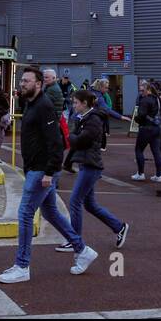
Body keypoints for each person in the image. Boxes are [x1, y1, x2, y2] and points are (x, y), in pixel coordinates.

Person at [0, 67, 95, 283]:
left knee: (25, 214)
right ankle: (82, 249)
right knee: (50, 213)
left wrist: (50, 172)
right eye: (22, 80)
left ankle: (22, 266)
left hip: (42, 170)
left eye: (27, 81)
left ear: (39, 84)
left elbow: (56, 142)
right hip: (35, 168)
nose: (22, 84)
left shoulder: (44, 106)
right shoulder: (30, 103)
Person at [61, 89, 129, 251]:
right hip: (86, 163)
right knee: (90, 204)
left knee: (75, 201)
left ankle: (75, 240)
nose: (73, 105)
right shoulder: (84, 118)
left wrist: (70, 136)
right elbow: (76, 137)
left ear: (84, 103)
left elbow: (80, 141)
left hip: (91, 165)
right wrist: (73, 136)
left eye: (76, 103)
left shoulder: (93, 120)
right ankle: (119, 227)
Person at [131, 81, 161, 182]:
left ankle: (140, 173)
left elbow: (141, 115)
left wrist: (136, 119)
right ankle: (159, 175)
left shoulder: (145, 100)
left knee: (139, 150)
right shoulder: (157, 99)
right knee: (156, 151)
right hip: (157, 128)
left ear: (148, 90)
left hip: (146, 128)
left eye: (142, 90)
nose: (141, 93)